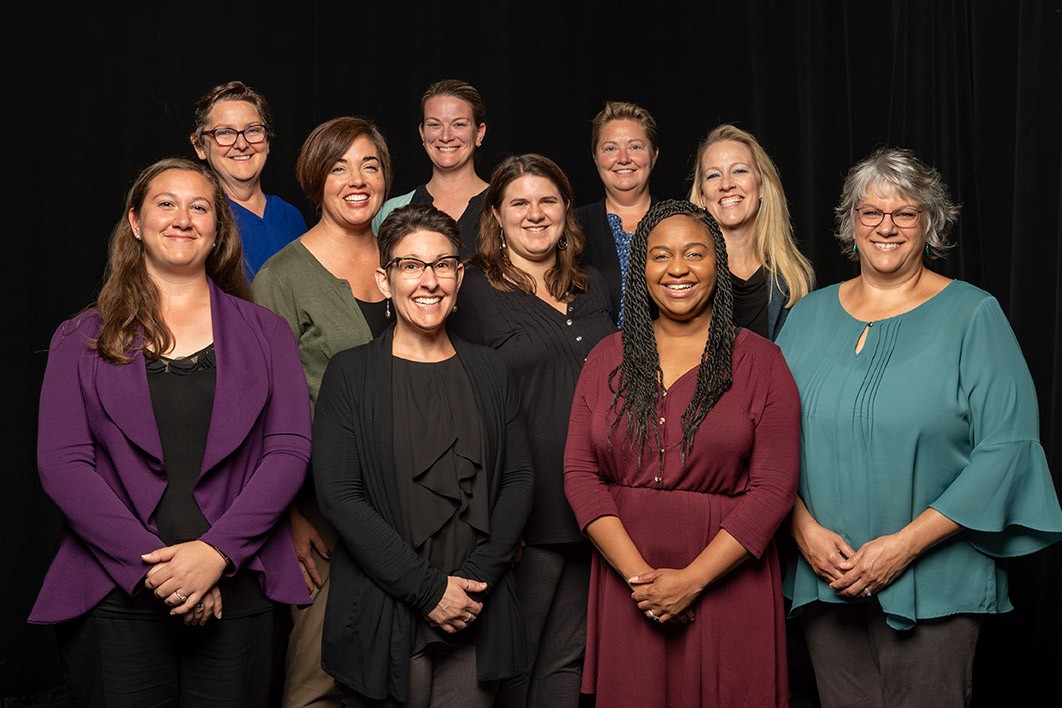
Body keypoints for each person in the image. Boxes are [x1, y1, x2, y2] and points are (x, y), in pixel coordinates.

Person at [776, 147, 1062, 708]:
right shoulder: (806, 315)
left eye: (905, 214)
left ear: (928, 225)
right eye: (871, 213)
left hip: (935, 581)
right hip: (825, 575)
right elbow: (766, 439)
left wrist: (902, 548)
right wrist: (802, 531)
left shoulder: (973, 314)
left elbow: (1007, 449)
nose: (887, 227)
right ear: (850, 224)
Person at [29, 157, 312, 707]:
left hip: (240, 588)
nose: (183, 218)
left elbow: (289, 451)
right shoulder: (80, 337)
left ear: (217, 228)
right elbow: (62, 464)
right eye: (166, 203)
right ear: (135, 222)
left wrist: (214, 554)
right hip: (115, 595)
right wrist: (162, 571)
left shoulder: (268, 334)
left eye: (199, 206)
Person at [564, 199, 801, 707]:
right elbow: (580, 474)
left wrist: (692, 581)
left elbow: (775, 489)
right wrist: (642, 582)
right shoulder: (607, 355)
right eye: (660, 255)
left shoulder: (763, 362)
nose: (677, 269)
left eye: (694, 254)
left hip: (728, 582)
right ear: (640, 268)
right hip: (630, 582)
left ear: (718, 262)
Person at [312, 202, 533, 706]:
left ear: (459, 276)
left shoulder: (490, 370)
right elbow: (340, 497)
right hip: (385, 608)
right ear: (385, 281)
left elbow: (519, 478)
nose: (427, 281)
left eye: (441, 265)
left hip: (476, 609)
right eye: (410, 265)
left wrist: (474, 582)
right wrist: (429, 591)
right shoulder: (351, 374)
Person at [448, 154, 616, 708]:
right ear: (495, 214)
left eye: (547, 201)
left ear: (567, 210)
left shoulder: (594, 286)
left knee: (569, 658)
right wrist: (491, 513)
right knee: (513, 661)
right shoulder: (471, 289)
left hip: (597, 503)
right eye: (519, 202)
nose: (535, 214)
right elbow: (459, 404)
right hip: (523, 507)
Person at [252, 117, 394, 708]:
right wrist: (288, 516)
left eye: (370, 165)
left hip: (412, 502)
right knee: (319, 678)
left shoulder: (409, 258)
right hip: (323, 511)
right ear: (315, 179)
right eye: (339, 167)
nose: (356, 180)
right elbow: (261, 414)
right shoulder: (282, 277)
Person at [688, 124, 814, 340]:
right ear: (702, 197)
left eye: (739, 170)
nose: (726, 184)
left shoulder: (796, 280)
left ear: (761, 187)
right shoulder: (686, 275)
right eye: (713, 175)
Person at [190, 80, 307, 280]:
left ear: (267, 141)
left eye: (253, 130)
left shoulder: (291, 217)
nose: (242, 144)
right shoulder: (198, 220)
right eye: (224, 133)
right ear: (200, 146)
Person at [372, 79, 489, 258]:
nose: (445, 136)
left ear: (479, 133)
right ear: (422, 133)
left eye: (459, 124)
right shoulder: (389, 212)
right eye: (434, 125)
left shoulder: (504, 206)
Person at [574, 100, 660, 326]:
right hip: (594, 357)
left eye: (635, 147)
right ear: (595, 157)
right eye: (610, 148)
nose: (623, 158)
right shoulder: (571, 226)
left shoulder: (680, 223)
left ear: (654, 155)